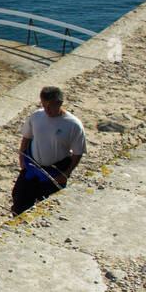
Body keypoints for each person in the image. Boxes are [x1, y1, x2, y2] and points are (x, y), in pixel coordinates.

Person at [11, 85, 86, 214]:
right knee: (19, 201)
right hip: (32, 168)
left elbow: (78, 152)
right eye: (44, 106)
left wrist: (66, 173)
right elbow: (26, 138)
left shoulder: (73, 125)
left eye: (50, 107)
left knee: (47, 207)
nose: (47, 110)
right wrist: (22, 159)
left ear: (60, 103)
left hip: (55, 172)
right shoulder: (37, 116)